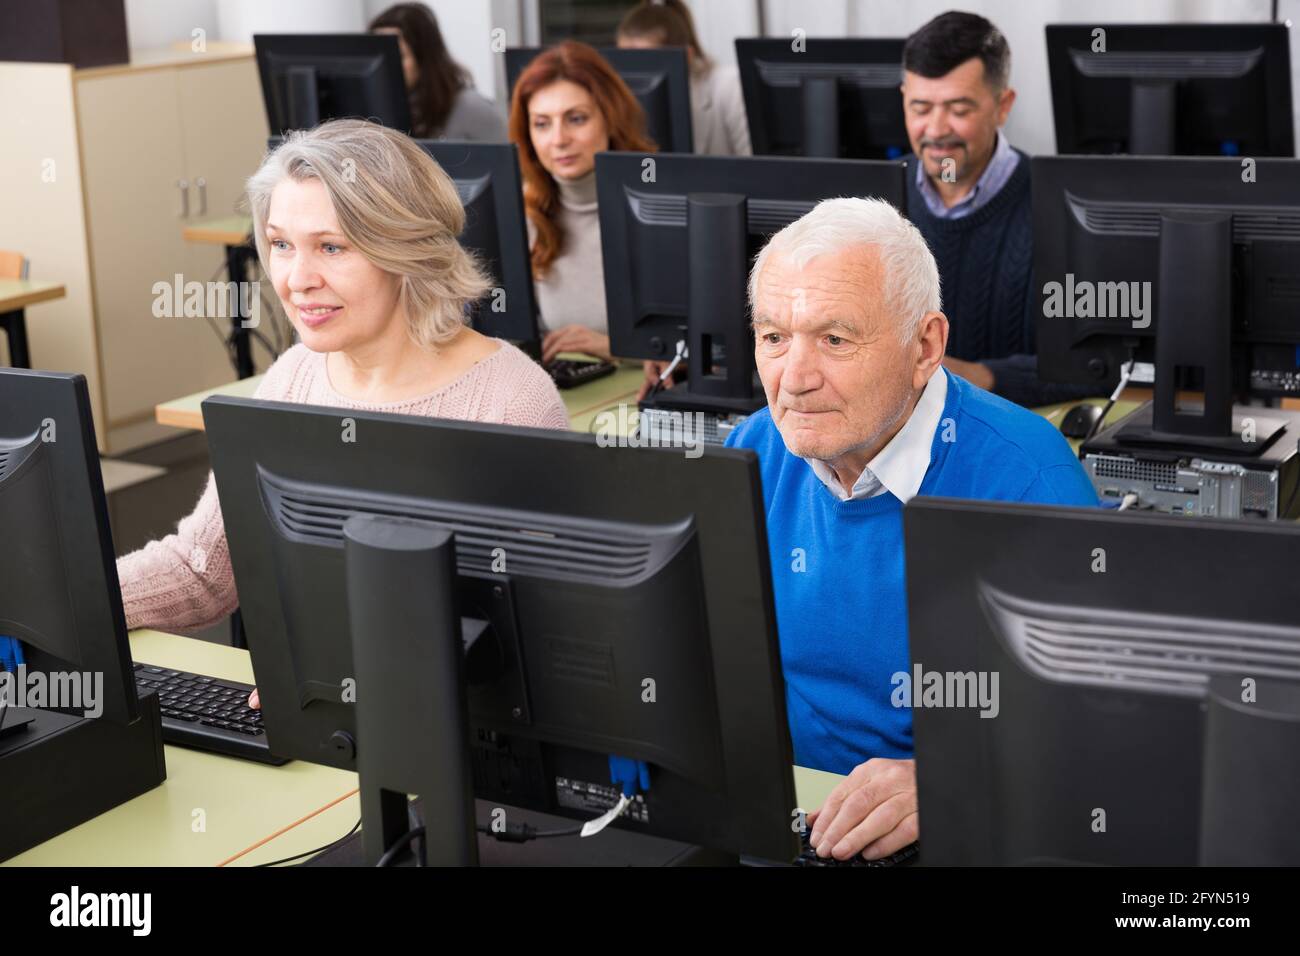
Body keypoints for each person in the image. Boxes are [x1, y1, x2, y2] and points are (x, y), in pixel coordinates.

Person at [116, 120, 569, 708]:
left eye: (331, 247)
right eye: (281, 245)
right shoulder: (291, 381)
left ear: (405, 249)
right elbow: (203, 571)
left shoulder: (511, 400)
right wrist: (63, 602)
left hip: (467, 748)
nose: (297, 280)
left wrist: (365, 671)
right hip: (322, 726)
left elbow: (546, 634)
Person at [727, 196, 1098, 861]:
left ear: (926, 346)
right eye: (774, 336)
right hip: (788, 825)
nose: (795, 378)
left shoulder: (1026, 480)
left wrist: (952, 776)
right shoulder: (752, 450)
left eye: (835, 339)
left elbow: (1094, 724)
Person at [901, 11, 1095, 408]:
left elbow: (1093, 367)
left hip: (1014, 438)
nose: (936, 130)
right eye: (921, 109)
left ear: (1003, 106)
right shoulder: (875, 201)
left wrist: (983, 377)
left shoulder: (1066, 210)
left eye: (958, 109)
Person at [509, 41, 656, 364]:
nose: (559, 139)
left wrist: (612, 348)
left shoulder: (660, 206)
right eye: (542, 124)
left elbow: (708, 350)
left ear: (610, 118)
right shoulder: (521, 212)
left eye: (576, 119)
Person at [616, 0, 751, 156]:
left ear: (686, 57)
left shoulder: (728, 87)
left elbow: (756, 168)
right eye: (624, 61)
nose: (636, 75)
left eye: (646, 62)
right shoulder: (621, 104)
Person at [370, 2, 507, 141]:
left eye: (398, 56)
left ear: (423, 57)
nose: (386, 66)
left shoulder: (472, 110)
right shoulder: (374, 114)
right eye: (379, 58)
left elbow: (502, 160)